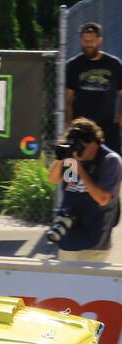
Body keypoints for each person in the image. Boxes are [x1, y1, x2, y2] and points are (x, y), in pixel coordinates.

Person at [47, 117, 122, 262]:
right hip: (69, 236)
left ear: (94, 143)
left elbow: (103, 199)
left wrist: (79, 167)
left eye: (81, 147)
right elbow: (54, 179)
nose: (78, 153)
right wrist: (61, 158)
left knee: (89, 284)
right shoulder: (72, 160)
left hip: (94, 241)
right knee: (63, 283)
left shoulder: (110, 161)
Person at [65, 22, 122, 152]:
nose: (88, 44)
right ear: (81, 41)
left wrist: (118, 122)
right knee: (71, 164)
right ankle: (75, 172)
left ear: (99, 40)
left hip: (107, 127)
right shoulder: (73, 65)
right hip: (81, 126)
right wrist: (70, 124)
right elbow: (68, 98)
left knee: (112, 164)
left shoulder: (114, 64)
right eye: (85, 41)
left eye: (91, 41)